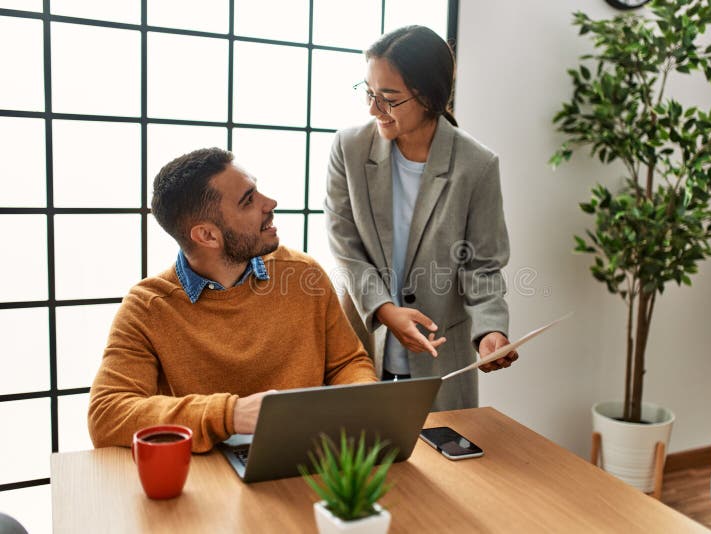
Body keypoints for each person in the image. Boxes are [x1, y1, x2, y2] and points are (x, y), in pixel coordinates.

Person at [88, 148, 377, 452]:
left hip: (305, 463)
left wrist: (364, 404)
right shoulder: (147, 308)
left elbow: (347, 363)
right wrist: (231, 415)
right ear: (207, 236)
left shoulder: (304, 274)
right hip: (208, 480)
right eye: (248, 200)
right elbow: (108, 414)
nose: (270, 203)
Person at [324, 25, 517, 411]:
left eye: (389, 98)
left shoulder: (476, 165)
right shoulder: (348, 148)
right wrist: (386, 311)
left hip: (442, 360)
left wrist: (491, 330)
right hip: (361, 347)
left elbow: (482, 264)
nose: (373, 109)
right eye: (369, 93)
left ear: (429, 97)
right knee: (361, 465)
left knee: (444, 467)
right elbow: (345, 246)